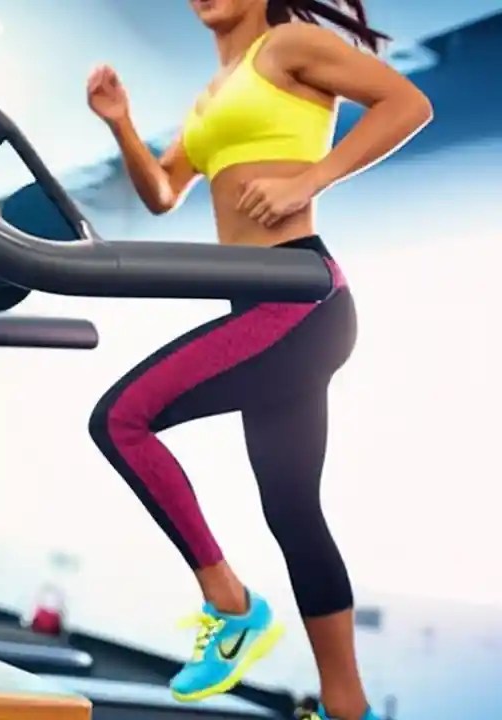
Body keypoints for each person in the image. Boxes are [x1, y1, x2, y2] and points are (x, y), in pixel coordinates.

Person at [83, 2, 432, 719]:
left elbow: (409, 103)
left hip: (298, 295)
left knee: (121, 418)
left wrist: (310, 181)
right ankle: (349, 710)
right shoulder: (211, 96)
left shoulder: (291, 46)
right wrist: (120, 122)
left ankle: (231, 604)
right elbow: (162, 192)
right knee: (294, 511)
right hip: (259, 308)